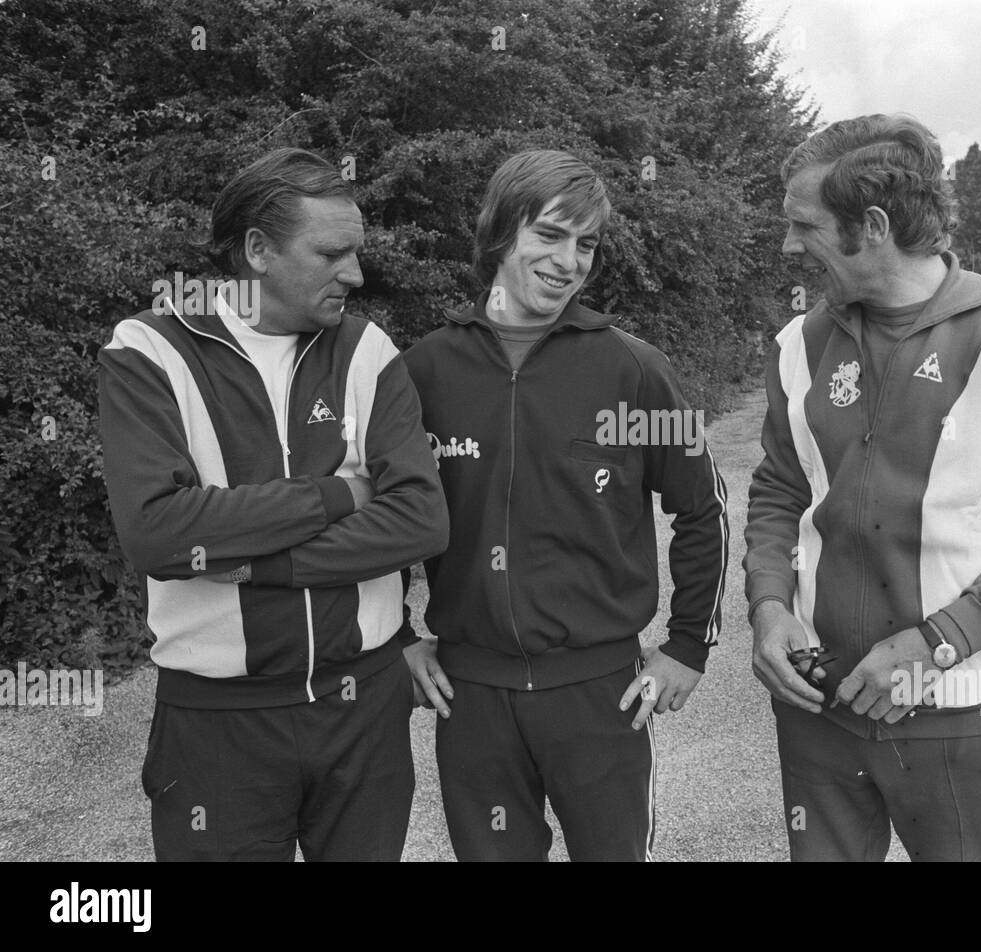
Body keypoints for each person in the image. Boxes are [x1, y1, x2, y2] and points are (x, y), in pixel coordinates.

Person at [744, 114, 981, 862]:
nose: (788, 246)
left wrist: (935, 646)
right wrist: (769, 605)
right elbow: (781, 488)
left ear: (872, 226)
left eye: (803, 225)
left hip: (958, 718)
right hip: (818, 713)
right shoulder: (797, 345)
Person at [98, 147, 448, 861]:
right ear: (257, 250)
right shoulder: (148, 348)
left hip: (365, 706)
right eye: (331, 253)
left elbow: (420, 519)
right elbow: (157, 533)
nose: (354, 274)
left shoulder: (367, 348)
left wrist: (255, 565)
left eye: (357, 252)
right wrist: (339, 494)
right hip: (219, 723)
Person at [402, 149, 729, 861]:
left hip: (598, 693)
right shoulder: (425, 371)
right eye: (550, 235)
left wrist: (687, 646)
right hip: (472, 695)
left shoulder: (631, 370)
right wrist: (398, 638)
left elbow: (703, 508)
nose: (569, 260)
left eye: (585, 244)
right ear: (499, 233)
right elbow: (383, 516)